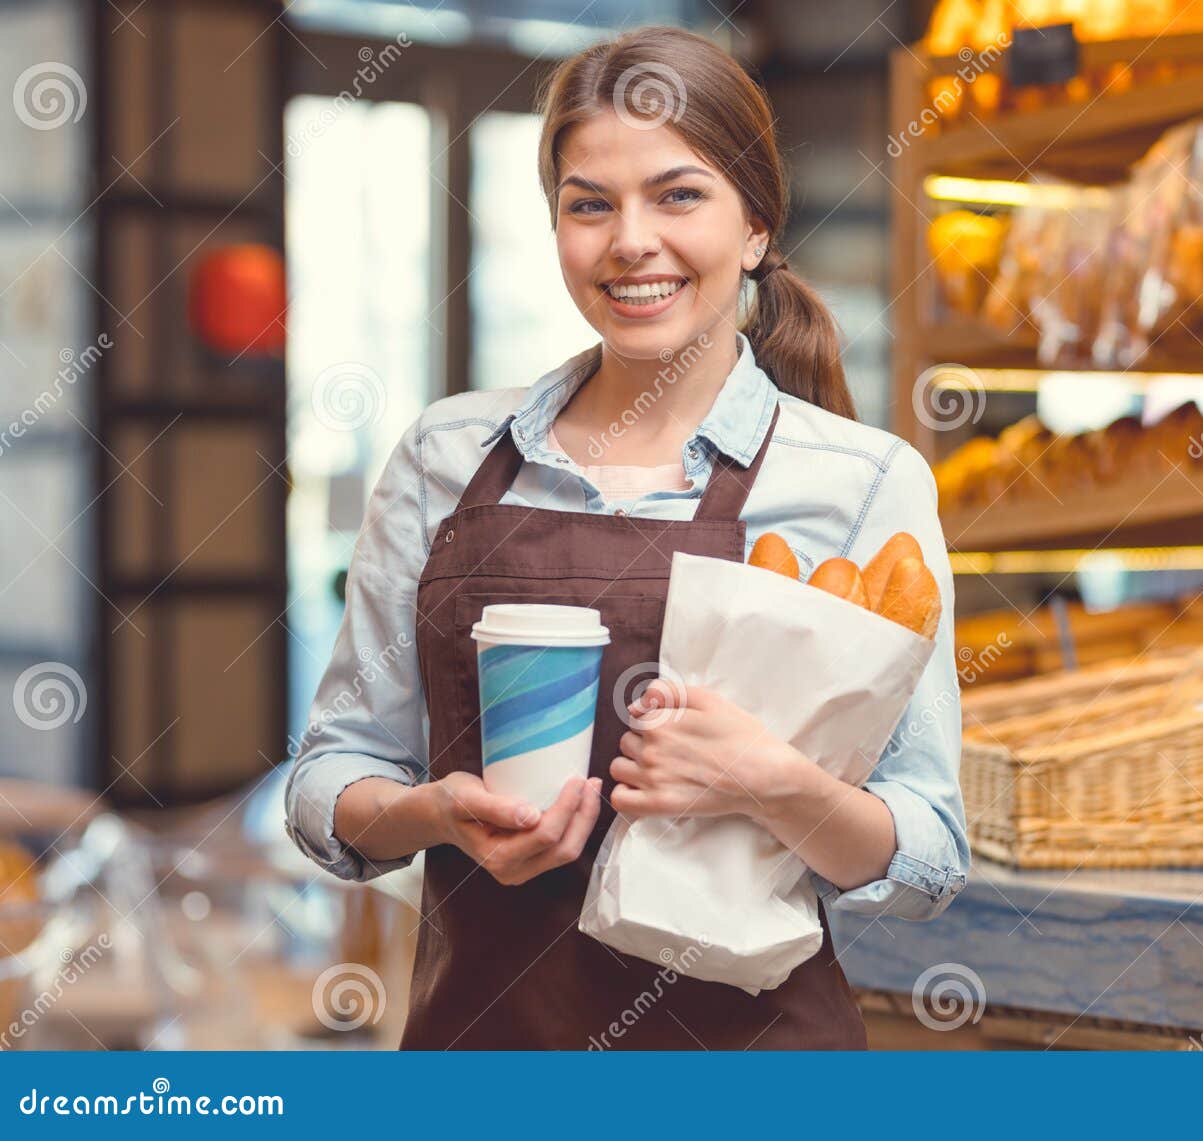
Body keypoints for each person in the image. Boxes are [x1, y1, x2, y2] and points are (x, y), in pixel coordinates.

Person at [284, 25, 967, 1050]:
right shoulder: (446, 454)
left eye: (677, 195)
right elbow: (329, 776)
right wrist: (435, 813)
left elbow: (927, 851)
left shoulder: (861, 483)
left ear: (755, 227)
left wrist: (771, 782)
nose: (629, 241)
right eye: (588, 204)